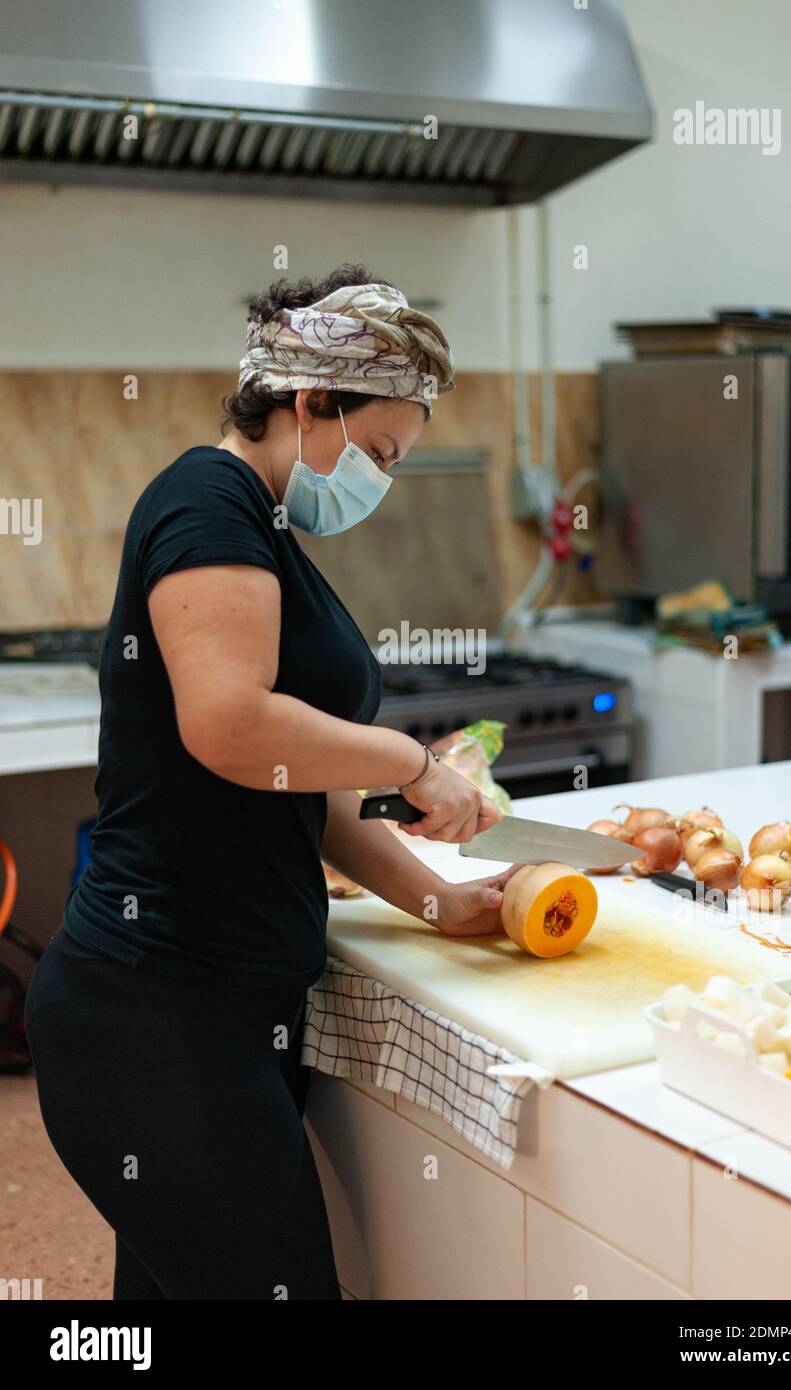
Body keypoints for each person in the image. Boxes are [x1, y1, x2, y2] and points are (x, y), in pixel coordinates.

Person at [24, 263, 520, 1300]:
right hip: (156, 1020)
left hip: (221, 1011)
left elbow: (313, 804)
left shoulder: (269, 533)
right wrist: (413, 763)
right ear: (308, 403)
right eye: (376, 451)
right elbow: (231, 726)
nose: (379, 481)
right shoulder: (207, 505)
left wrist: (440, 899)